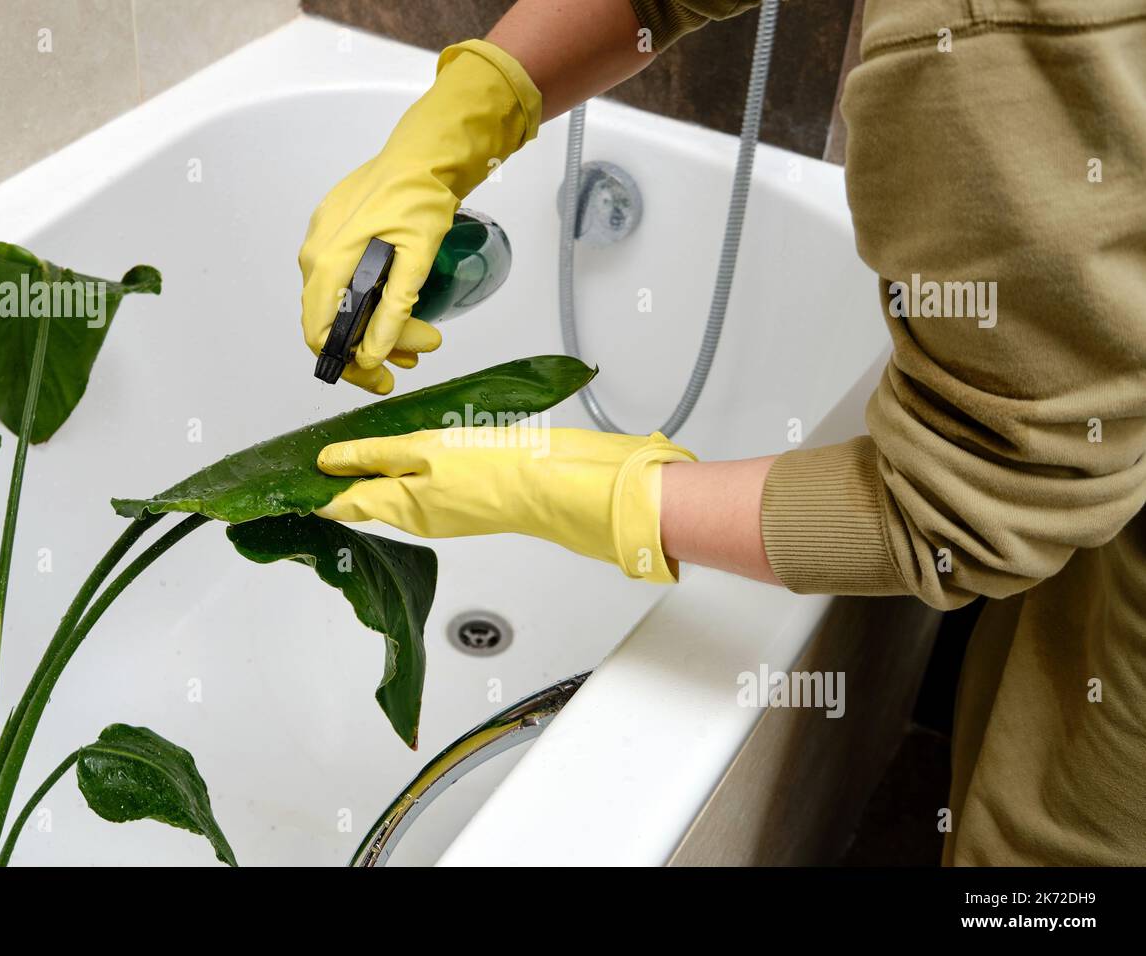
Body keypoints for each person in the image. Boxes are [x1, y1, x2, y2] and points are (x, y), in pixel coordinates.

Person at [297, 0, 1146, 865]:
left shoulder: (1002, 39)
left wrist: (569, 489)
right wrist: (456, 122)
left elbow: (965, 510)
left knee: (1044, 850)